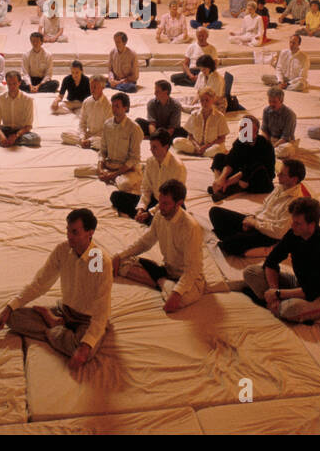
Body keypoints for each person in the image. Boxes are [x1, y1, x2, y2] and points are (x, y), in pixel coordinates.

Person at [0, 208, 112, 369]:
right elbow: (40, 283)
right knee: (11, 318)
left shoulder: (98, 260)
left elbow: (101, 309)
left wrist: (85, 347)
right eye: (68, 231)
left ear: (90, 233)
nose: (69, 236)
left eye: (75, 232)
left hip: (88, 319)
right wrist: (10, 307)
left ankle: (53, 325)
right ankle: (57, 326)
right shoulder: (63, 250)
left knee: (83, 350)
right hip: (65, 310)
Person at [240, 196, 320, 324]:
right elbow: (271, 261)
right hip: (301, 284)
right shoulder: (294, 234)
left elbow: (312, 291)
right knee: (250, 272)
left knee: (291, 309)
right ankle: (275, 305)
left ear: (311, 225)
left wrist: (278, 294)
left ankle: (275, 305)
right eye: (293, 221)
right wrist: (275, 292)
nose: (292, 225)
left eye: (297, 223)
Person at [112, 180, 206, 313]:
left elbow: (192, 269)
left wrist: (177, 293)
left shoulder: (191, 227)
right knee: (120, 262)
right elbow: (145, 242)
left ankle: (160, 281)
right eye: (159, 202)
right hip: (168, 271)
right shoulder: (159, 215)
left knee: (175, 302)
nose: (160, 207)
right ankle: (163, 282)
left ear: (179, 203)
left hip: (190, 279)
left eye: (166, 203)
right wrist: (119, 255)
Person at [210, 159, 310, 256]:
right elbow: (264, 206)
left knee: (228, 245)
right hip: (257, 222)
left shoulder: (295, 202)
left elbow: (279, 232)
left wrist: (254, 224)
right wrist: (251, 218)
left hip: (269, 234)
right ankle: (237, 236)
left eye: (282, 174)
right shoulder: (281, 187)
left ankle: (236, 238)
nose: (278, 175)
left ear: (294, 179)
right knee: (215, 212)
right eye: (279, 172)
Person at [75, 92, 143, 193]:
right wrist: (100, 169)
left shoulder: (134, 128)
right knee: (78, 171)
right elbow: (102, 151)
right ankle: (109, 177)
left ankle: (116, 177)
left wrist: (113, 174)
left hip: (125, 168)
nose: (114, 109)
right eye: (113, 106)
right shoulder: (107, 124)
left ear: (125, 108)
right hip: (109, 165)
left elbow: (134, 158)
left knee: (125, 185)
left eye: (117, 106)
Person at [112, 129, 186, 220]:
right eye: (151, 146)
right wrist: (141, 208)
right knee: (116, 196)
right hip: (154, 200)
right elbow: (146, 188)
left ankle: (149, 219)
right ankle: (143, 217)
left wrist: (150, 213)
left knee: (167, 218)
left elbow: (173, 199)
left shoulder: (177, 167)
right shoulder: (150, 162)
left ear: (166, 147)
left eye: (155, 147)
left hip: (169, 205)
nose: (151, 150)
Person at [209, 114, 275, 201]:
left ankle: (226, 190)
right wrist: (221, 178)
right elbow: (231, 160)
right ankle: (218, 185)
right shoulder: (240, 141)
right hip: (241, 174)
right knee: (219, 157)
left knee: (255, 166)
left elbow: (250, 168)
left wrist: (228, 182)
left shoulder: (264, 144)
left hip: (259, 179)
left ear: (255, 131)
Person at [0, 71, 41, 147]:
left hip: (20, 132)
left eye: (14, 84)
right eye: (9, 84)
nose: (12, 87)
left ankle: (8, 141)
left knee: (36, 139)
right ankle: (7, 140)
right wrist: (1, 135)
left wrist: (16, 135)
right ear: (6, 83)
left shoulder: (28, 99)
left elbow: (28, 126)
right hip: (5, 130)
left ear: (19, 83)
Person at [172, 89, 229, 158]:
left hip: (211, 146)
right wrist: (196, 146)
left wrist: (205, 147)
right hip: (196, 145)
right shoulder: (194, 114)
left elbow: (222, 138)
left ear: (213, 100)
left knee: (217, 149)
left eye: (207, 100)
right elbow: (190, 135)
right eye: (202, 100)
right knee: (176, 141)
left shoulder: (219, 117)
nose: (204, 103)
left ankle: (201, 153)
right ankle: (199, 152)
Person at [62, 75, 111, 147]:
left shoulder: (108, 105)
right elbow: (82, 123)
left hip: (100, 136)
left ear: (102, 88)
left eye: (95, 87)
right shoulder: (86, 102)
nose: (92, 89)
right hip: (88, 134)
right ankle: (84, 143)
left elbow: (108, 128)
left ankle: (88, 143)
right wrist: (82, 137)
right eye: (91, 86)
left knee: (104, 142)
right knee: (64, 134)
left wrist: (91, 140)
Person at [260, 87, 300, 158]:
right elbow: (264, 130)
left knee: (286, 149)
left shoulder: (290, 115)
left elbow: (285, 137)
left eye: (274, 102)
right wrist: (266, 144)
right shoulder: (266, 110)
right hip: (271, 139)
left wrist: (271, 148)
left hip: (284, 142)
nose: (271, 104)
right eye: (270, 101)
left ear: (281, 101)